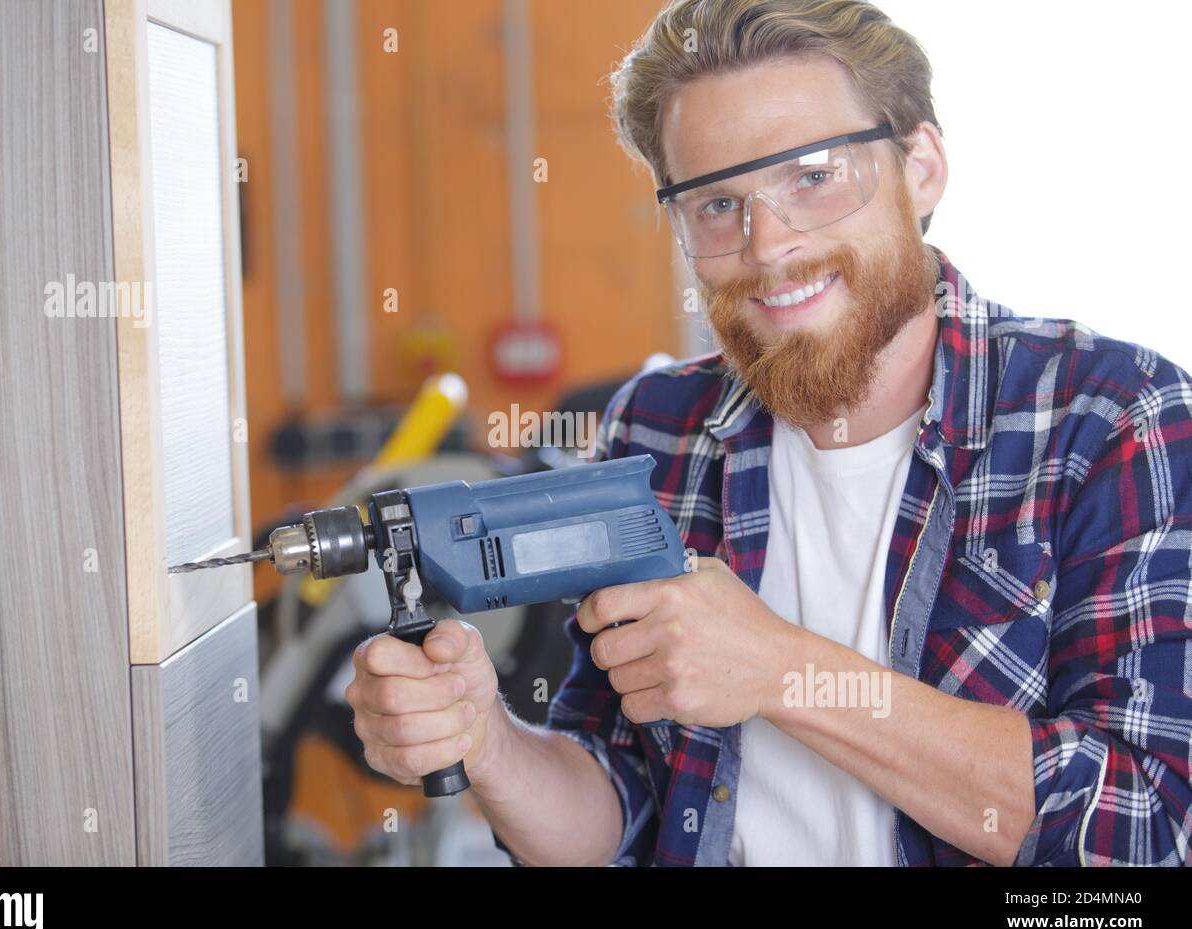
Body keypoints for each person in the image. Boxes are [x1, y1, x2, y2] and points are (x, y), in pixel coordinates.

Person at [344, 0, 1192, 866]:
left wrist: (782, 672)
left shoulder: (1114, 416)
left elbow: (1144, 830)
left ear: (923, 168)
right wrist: (485, 737)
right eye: (716, 203)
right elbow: (617, 810)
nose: (768, 245)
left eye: (813, 176)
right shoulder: (654, 432)